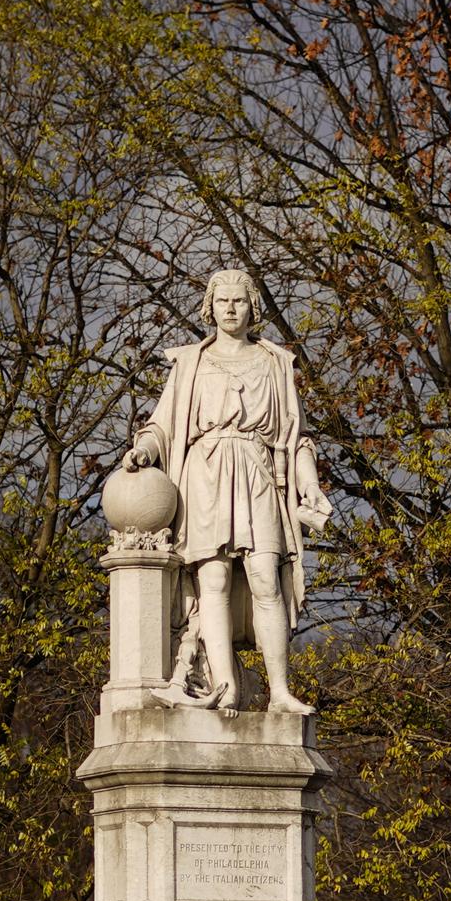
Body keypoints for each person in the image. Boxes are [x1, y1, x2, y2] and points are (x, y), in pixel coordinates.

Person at [127, 268, 329, 713]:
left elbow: (296, 440)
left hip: (258, 471)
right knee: (212, 580)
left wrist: (309, 486)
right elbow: (162, 424)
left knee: (265, 578)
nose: (231, 310)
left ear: (252, 307)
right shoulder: (191, 363)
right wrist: (144, 450)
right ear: (210, 307)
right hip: (206, 473)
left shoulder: (275, 363)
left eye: (239, 302)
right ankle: (227, 687)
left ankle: (279, 692)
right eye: (223, 302)